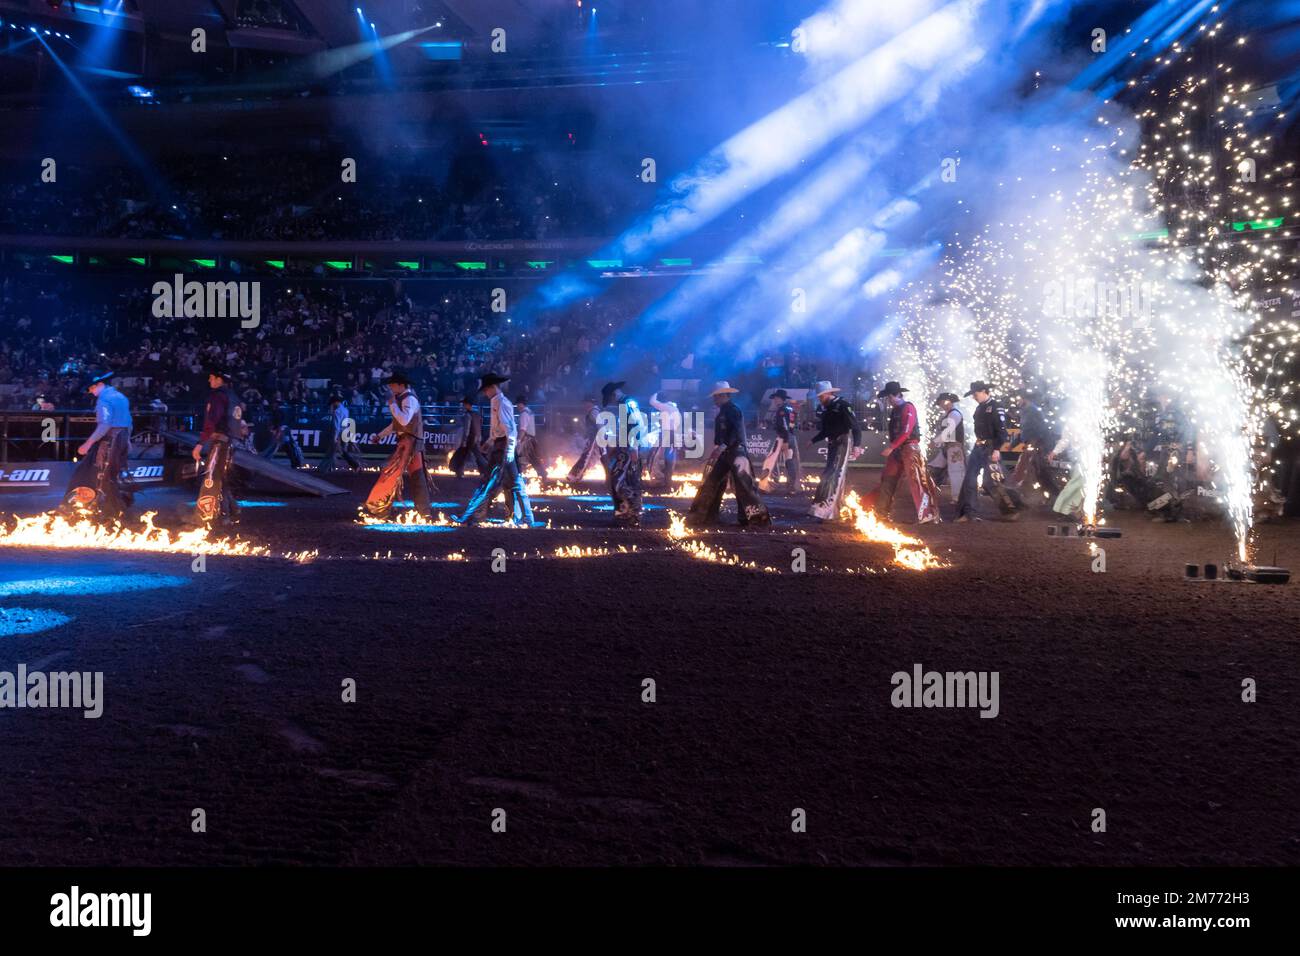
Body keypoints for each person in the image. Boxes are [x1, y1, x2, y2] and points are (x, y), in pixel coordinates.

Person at [455, 373, 541, 527]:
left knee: (498, 484)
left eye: (486, 390)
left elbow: (510, 429)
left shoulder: (502, 403)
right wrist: (490, 441)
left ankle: (473, 517)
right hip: (501, 447)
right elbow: (501, 428)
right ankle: (523, 518)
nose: (485, 393)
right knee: (508, 484)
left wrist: (507, 450)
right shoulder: (498, 402)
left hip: (503, 448)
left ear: (492, 387)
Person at [686, 381, 771, 528]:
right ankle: (704, 516)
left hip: (736, 452)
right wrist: (720, 447)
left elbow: (735, 432)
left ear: (723, 395)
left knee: (743, 485)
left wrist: (721, 446)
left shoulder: (732, 410)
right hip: (728, 452)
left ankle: (757, 519)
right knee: (713, 482)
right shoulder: (724, 411)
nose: (714, 399)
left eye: (716, 396)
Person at [363, 370, 434, 521]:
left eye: (392, 385)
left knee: (391, 473)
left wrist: (392, 405)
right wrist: (380, 435)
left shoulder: (408, 399)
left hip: (409, 443)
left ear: (401, 385)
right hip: (412, 443)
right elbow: (397, 424)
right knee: (417, 477)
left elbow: (403, 421)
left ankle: (377, 509)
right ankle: (424, 512)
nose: (390, 388)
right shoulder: (404, 398)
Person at [866, 381, 941, 523]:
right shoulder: (897, 409)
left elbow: (906, 432)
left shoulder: (908, 408)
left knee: (918, 481)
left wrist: (892, 447)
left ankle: (928, 515)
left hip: (909, 448)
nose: (888, 401)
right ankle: (881, 512)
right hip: (901, 449)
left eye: (889, 397)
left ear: (894, 396)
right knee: (889, 479)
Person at [63, 371, 133, 522]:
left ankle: (97, 510)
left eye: (92, 389)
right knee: (110, 475)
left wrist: (87, 444)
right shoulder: (121, 397)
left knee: (95, 473)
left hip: (111, 441)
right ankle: (114, 511)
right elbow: (129, 421)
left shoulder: (104, 400)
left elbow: (105, 425)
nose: (91, 392)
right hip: (122, 438)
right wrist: (127, 441)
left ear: (100, 384)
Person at [955, 381, 1019, 523]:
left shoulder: (996, 407)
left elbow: (1002, 431)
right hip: (979, 447)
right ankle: (969, 512)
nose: (974, 397)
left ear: (984, 391)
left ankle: (1011, 508)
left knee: (992, 481)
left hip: (990, 448)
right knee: (970, 479)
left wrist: (997, 449)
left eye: (975, 394)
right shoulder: (980, 408)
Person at [192, 365, 244, 529]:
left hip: (220, 442)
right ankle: (232, 510)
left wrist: (200, 444)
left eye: (211, 377)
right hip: (231, 443)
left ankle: (206, 516)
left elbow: (211, 421)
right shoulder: (233, 396)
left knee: (211, 477)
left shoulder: (218, 397)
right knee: (221, 477)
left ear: (219, 379)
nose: (209, 380)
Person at [808, 381, 862, 520]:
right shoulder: (827, 409)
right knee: (831, 471)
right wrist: (813, 440)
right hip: (833, 443)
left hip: (841, 442)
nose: (820, 399)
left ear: (827, 394)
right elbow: (826, 430)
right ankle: (831, 505)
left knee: (832, 472)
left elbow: (855, 426)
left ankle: (824, 504)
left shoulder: (843, 406)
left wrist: (857, 445)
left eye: (821, 396)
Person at [1008, 392, 1056, 500]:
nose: (1017, 402)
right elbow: (1024, 431)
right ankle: (1050, 494)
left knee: (1025, 466)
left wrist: (1036, 444)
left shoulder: (1033, 411)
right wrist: (1014, 444)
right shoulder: (1025, 412)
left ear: (1025, 399)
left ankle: (1015, 489)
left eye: (1018, 399)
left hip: (1035, 444)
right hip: (1032, 443)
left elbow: (1040, 429)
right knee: (1038, 471)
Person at [757, 389, 802, 494]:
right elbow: (791, 425)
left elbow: (784, 426)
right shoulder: (789, 409)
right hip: (790, 436)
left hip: (783, 437)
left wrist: (785, 440)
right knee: (789, 460)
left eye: (776, 398)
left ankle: (767, 484)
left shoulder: (782, 410)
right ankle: (791, 486)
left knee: (771, 460)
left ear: (781, 399)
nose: (775, 400)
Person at [928, 392, 965, 503]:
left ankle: (957, 497)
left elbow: (948, 432)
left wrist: (936, 441)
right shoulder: (951, 414)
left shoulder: (953, 414)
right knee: (940, 468)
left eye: (941, 403)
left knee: (955, 472)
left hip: (954, 448)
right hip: (950, 447)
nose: (940, 405)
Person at [318, 394, 363, 473]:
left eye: (332, 403)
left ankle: (325, 468)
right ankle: (325, 467)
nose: (332, 405)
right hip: (345, 431)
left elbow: (336, 426)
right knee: (339, 451)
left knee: (335, 450)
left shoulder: (337, 411)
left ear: (335, 402)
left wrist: (335, 437)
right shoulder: (345, 410)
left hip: (339, 433)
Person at [645, 390, 681, 486]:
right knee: (668, 458)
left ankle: (659, 480)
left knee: (656, 457)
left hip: (667, 435)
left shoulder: (666, 407)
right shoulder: (674, 408)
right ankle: (666, 480)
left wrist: (656, 392)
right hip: (673, 435)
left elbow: (652, 401)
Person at [566, 395, 604, 483]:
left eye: (585, 402)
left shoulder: (594, 412)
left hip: (594, 438)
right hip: (593, 437)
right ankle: (576, 475)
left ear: (590, 403)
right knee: (588, 457)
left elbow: (599, 425)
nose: (584, 405)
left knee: (586, 457)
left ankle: (575, 475)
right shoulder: (593, 411)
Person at [448, 396, 488, 478]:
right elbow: (479, 426)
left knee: (462, 455)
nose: (463, 406)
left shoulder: (468, 415)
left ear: (467, 405)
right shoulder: (477, 414)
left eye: (464, 404)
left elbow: (467, 428)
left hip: (470, 438)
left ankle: (459, 471)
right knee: (477, 455)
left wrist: (464, 440)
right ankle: (486, 471)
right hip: (476, 438)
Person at [515, 395, 548, 481]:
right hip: (531, 439)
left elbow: (523, 429)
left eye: (518, 404)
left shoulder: (524, 414)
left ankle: (517, 476)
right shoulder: (529, 411)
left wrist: (518, 441)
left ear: (521, 404)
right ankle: (542, 474)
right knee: (533, 458)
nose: (517, 406)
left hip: (527, 440)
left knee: (518, 457)